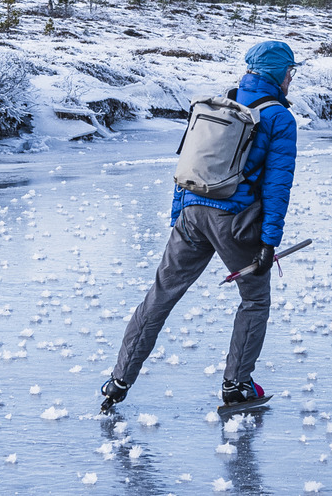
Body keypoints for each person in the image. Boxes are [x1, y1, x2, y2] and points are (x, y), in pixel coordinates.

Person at [101, 40, 300, 411]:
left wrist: (180, 218)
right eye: (290, 71)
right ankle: (237, 384)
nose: (292, 78)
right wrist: (269, 241)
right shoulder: (278, 117)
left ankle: (118, 380)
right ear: (277, 73)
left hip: (192, 213)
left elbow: (186, 165)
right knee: (255, 298)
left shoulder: (217, 107)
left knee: (161, 295)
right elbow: (277, 185)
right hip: (235, 221)